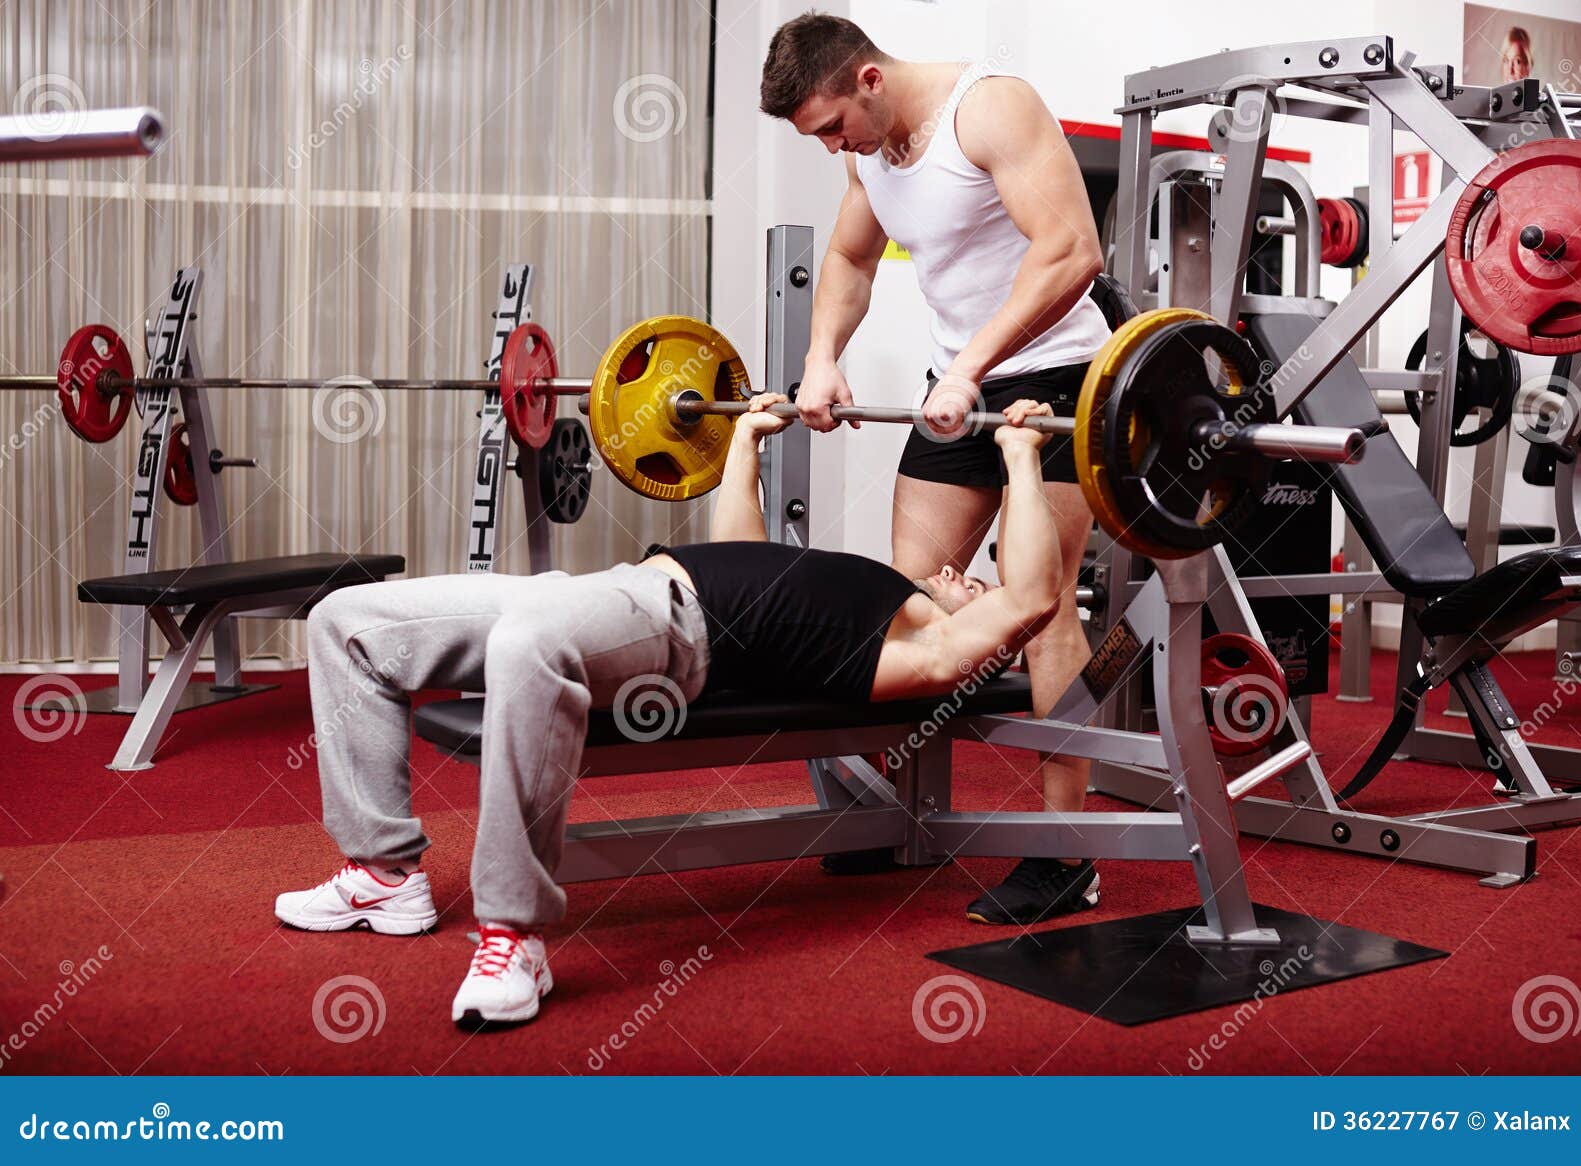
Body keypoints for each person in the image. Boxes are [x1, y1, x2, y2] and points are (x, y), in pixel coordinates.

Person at [275, 395, 1086, 1028]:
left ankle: (513, 938)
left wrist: (1018, 456)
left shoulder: (922, 655)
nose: (962, 576)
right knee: (347, 621)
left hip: (666, 628)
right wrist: (746, 443)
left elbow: (1034, 596)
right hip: (608, 591)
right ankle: (382, 874)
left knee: (526, 644)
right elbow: (746, 550)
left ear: (987, 645)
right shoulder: (873, 588)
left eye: (974, 590)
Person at [758, 13, 1109, 923]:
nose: (837, 147)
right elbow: (849, 254)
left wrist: (968, 367)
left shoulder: (989, 108)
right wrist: (821, 358)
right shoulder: (868, 150)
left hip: (1064, 381)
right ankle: (901, 818)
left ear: (867, 79)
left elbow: (1070, 250)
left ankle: (1065, 855)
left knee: (1041, 604)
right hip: (959, 387)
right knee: (907, 600)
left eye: (835, 127)